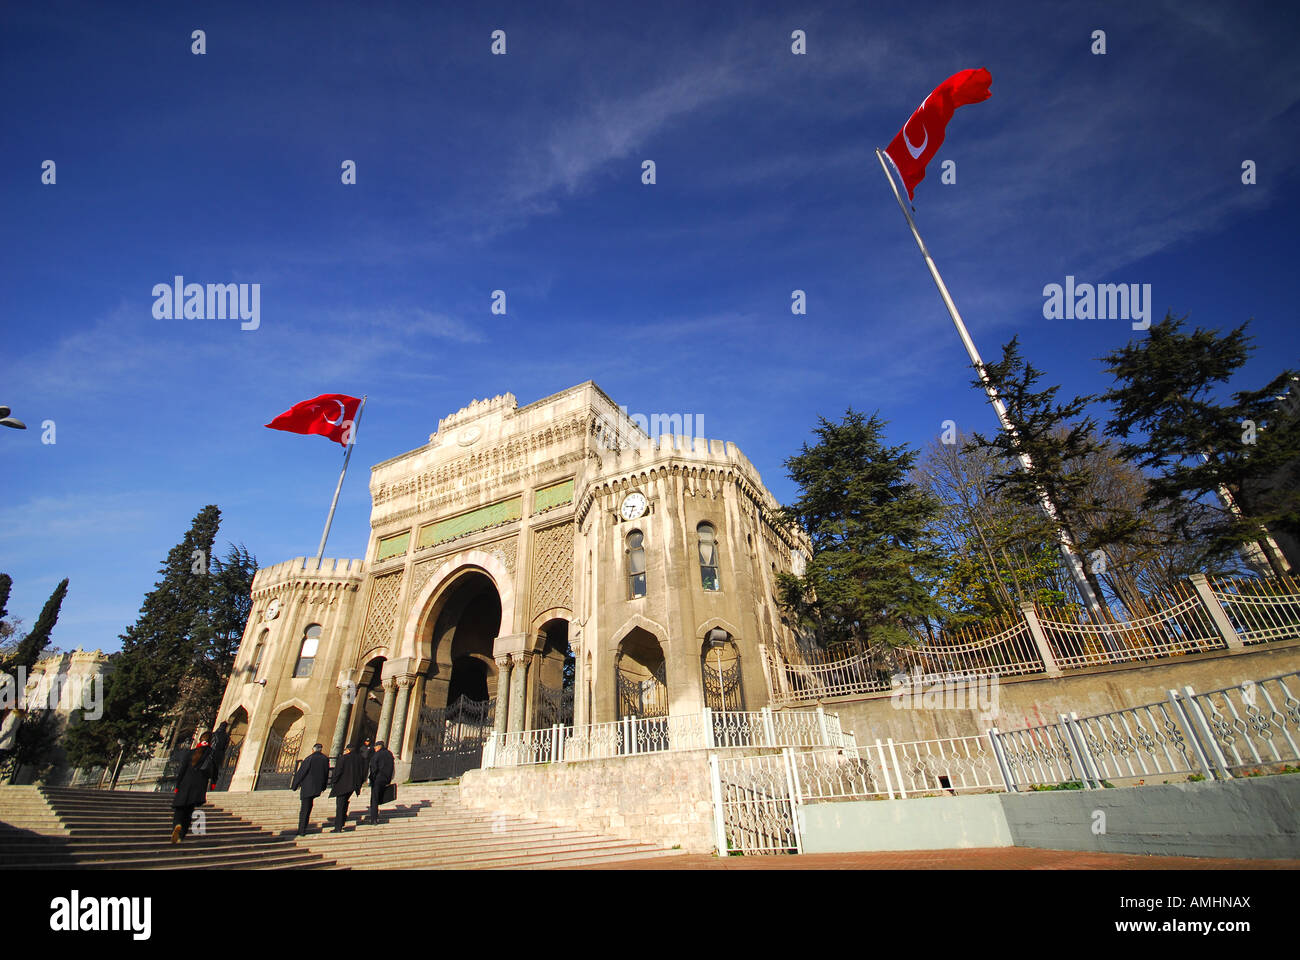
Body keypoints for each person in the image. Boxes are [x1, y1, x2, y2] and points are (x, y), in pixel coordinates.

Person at [171, 733, 217, 844]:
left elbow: (182, 771)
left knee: (179, 811)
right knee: (188, 813)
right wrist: (213, 783)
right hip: (198, 787)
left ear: (199, 740)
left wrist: (177, 786)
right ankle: (181, 836)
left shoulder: (191, 753)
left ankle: (177, 826)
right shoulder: (210, 754)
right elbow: (215, 770)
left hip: (185, 786)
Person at [289, 743, 330, 836]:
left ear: (313, 749)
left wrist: (294, 785)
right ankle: (303, 828)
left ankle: (301, 830)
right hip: (317, 787)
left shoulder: (309, 758)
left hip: (308, 787)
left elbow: (301, 772)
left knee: (304, 809)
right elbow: (326, 773)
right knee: (308, 807)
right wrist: (323, 786)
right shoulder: (325, 759)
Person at [328, 744, 367, 832]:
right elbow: (363, 773)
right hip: (353, 785)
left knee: (340, 806)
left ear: (348, 750)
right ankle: (342, 821)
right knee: (344, 803)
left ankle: (338, 827)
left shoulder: (343, 758)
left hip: (342, 785)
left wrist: (333, 782)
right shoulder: (360, 759)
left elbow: (338, 771)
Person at [367, 740, 395, 825]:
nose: (374, 748)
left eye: (375, 747)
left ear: (379, 746)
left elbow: (374, 767)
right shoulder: (390, 754)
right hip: (385, 779)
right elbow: (392, 768)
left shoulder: (377, 754)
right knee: (378, 797)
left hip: (377, 779)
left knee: (374, 799)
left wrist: (371, 778)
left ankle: (374, 819)